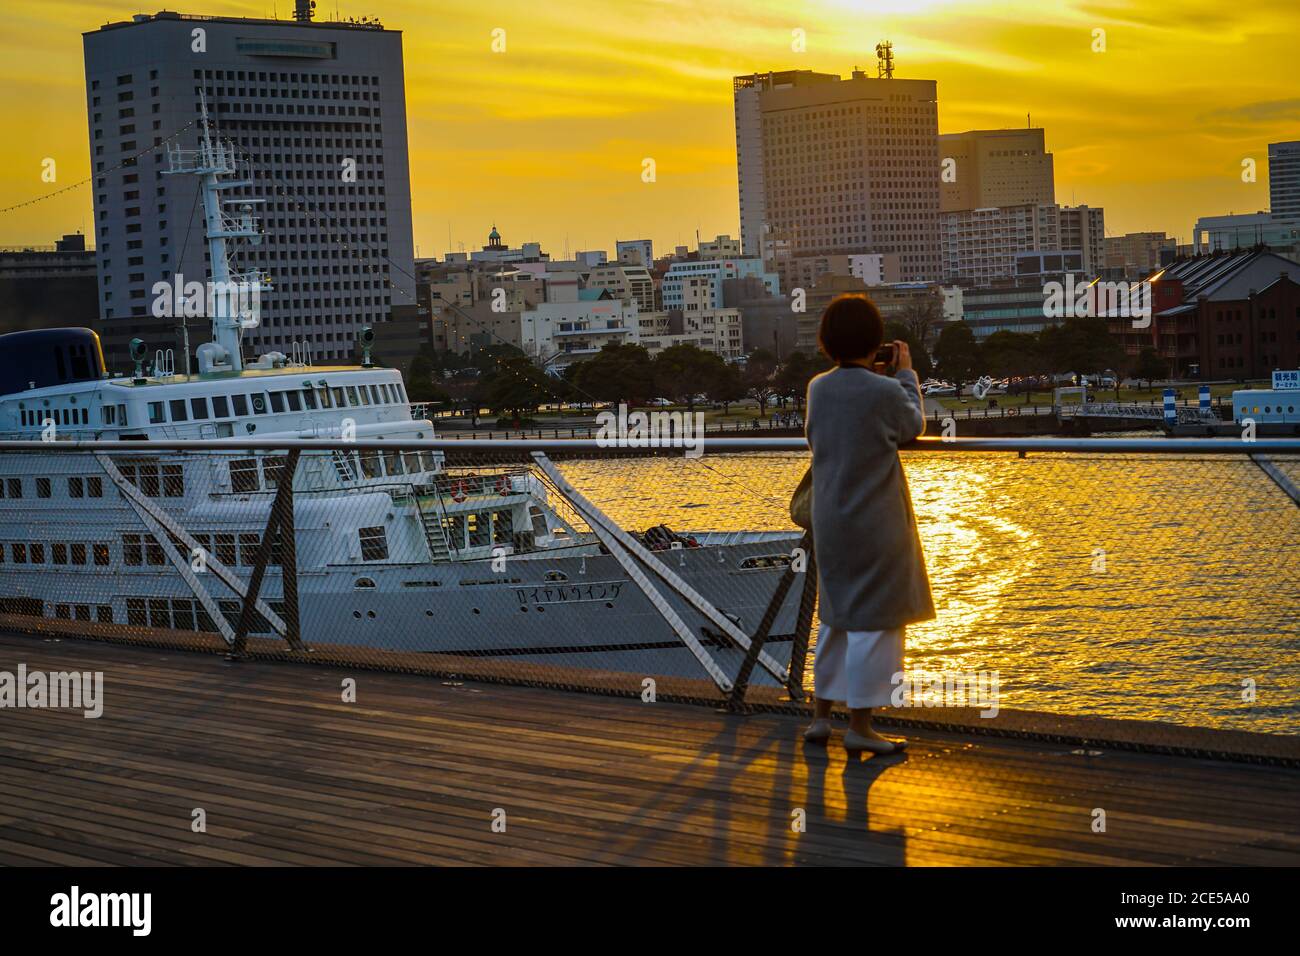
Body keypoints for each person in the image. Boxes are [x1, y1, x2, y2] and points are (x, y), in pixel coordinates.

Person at [802, 294, 935, 755]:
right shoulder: (885, 391)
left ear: (827, 341)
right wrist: (905, 374)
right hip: (876, 524)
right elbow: (911, 425)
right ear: (875, 340)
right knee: (877, 622)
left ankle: (820, 718)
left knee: (836, 618)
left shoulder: (818, 387)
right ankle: (861, 725)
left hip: (831, 519)